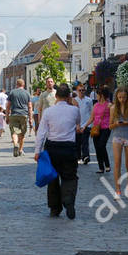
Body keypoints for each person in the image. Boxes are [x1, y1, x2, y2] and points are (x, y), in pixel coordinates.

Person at [34, 83, 81, 219]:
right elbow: (78, 122)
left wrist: (37, 151)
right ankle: (69, 200)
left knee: (53, 178)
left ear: (56, 96)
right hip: (69, 147)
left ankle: (55, 208)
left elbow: (41, 133)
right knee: (70, 176)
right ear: (68, 97)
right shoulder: (74, 110)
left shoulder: (49, 112)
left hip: (52, 147)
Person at [7, 78, 32, 157]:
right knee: (22, 134)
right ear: (23, 84)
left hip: (14, 114)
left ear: (16, 84)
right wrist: (30, 118)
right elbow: (30, 106)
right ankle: (20, 150)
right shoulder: (27, 93)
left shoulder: (12, 92)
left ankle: (15, 144)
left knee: (14, 132)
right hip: (24, 115)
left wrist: (7, 116)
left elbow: (8, 105)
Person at [90, 85, 112, 173]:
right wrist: (84, 126)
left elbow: (114, 116)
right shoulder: (95, 105)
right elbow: (92, 118)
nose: (96, 96)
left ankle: (107, 165)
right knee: (97, 147)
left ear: (102, 95)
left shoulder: (109, 105)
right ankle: (101, 167)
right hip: (96, 128)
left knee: (101, 145)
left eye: (98, 95)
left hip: (106, 128)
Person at [75, 84, 94, 163]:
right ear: (77, 91)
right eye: (80, 90)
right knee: (77, 142)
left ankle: (86, 156)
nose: (82, 92)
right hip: (77, 125)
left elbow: (91, 112)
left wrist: (88, 124)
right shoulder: (74, 100)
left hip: (87, 124)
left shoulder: (89, 100)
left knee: (85, 141)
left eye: (83, 90)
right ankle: (78, 157)